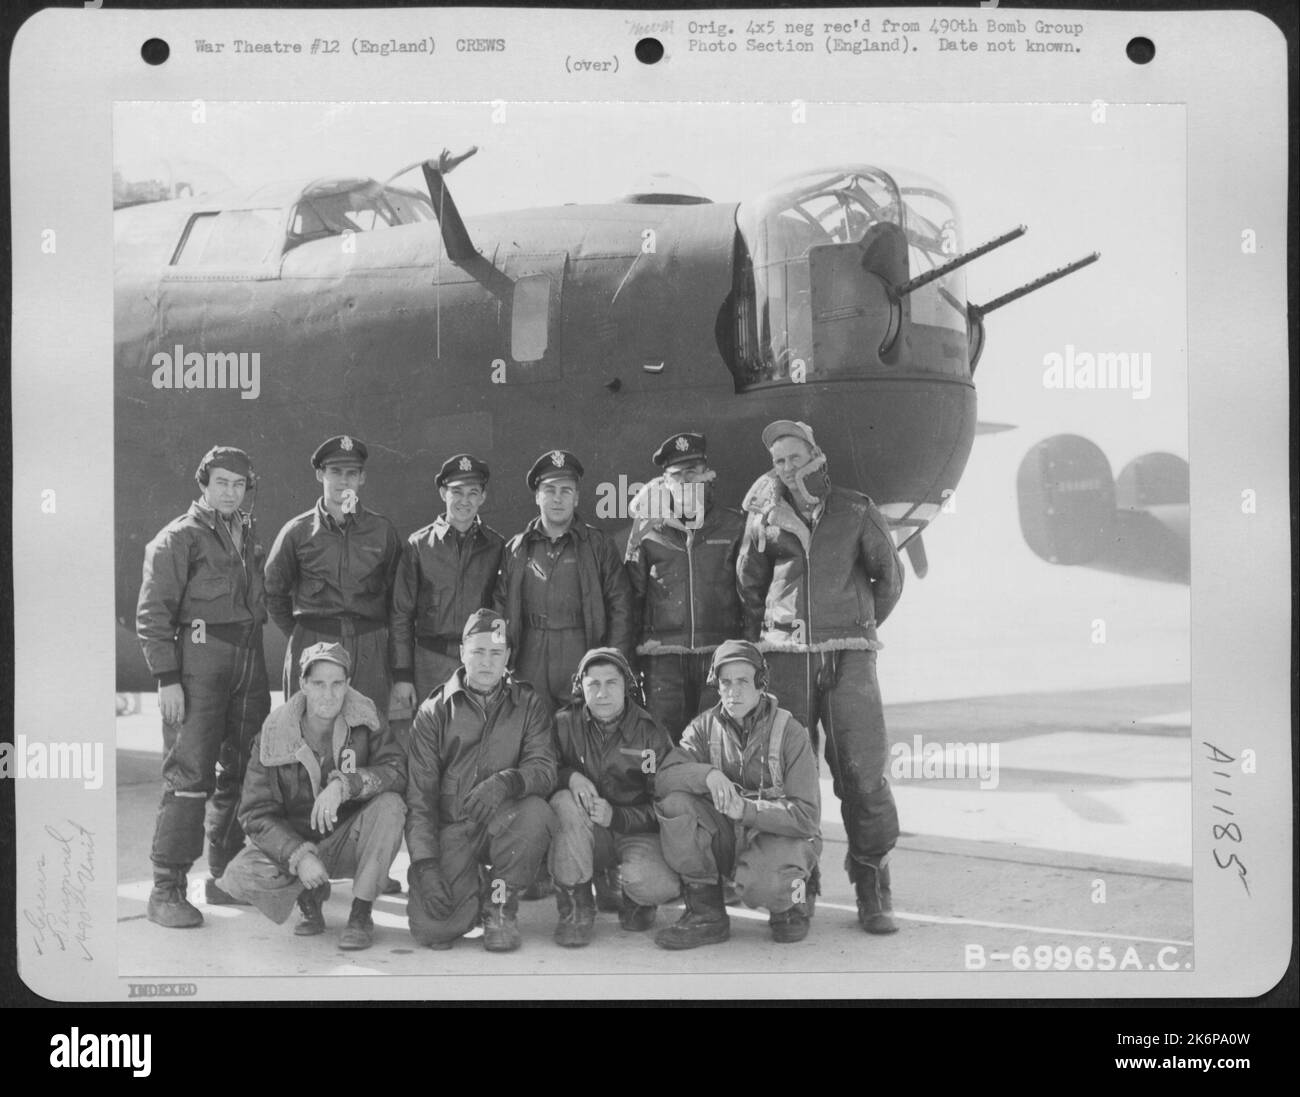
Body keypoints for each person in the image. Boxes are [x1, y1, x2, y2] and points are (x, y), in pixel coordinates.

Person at [736, 419, 905, 934]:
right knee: (789, 776)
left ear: (814, 453)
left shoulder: (855, 509)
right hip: (787, 657)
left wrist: (852, 623)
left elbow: (888, 579)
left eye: (794, 455)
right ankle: (796, 888)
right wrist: (774, 634)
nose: (787, 466)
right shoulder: (764, 515)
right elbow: (749, 583)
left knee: (863, 769)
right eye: (779, 460)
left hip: (849, 654)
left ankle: (872, 883)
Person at [135, 445, 272, 928]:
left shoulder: (246, 535)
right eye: (221, 483)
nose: (230, 492)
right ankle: (166, 889)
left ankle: (224, 877)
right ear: (204, 484)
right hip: (199, 667)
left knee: (244, 770)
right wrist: (167, 679)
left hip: (245, 663)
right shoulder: (179, 539)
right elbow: (152, 617)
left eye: (239, 484)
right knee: (190, 777)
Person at [217, 643, 407, 951]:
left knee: (391, 807)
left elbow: (397, 771)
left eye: (337, 684)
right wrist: (299, 855)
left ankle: (361, 913)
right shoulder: (273, 734)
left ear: (347, 685)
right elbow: (255, 814)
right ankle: (308, 897)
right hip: (299, 844)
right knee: (239, 874)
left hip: (348, 842)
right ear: (303, 684)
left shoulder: (366, 721)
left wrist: (346, 784)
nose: (328, 694)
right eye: (318, 683)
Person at [404, 610, 558, 952]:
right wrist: (425, 865)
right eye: (478, 651)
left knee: (537, 814)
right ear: (462, 653)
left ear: (508, 657)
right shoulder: (434, 712)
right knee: (433, 929)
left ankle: (499, 905)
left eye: (496, 653)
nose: (487, 662)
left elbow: (544, 769)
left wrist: (507, 782)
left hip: (504, 823)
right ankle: (471, 885)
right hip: (454, 828)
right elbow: (419, 799)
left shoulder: (528, 704)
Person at [654, 640, 821, 948]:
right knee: (675, 803)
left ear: (761, 683)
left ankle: (795, 899)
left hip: (777, 836)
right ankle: (706, 913)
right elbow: (664, 778)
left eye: (743, 681)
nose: (733, 691)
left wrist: (746, 809)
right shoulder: (703, 728)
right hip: (730, 836)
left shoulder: (791, 732)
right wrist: (708, 774)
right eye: (725, 683)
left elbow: (807, 817)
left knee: (767, 887)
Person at [264, 435, 401, 723]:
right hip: (313, 641)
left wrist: (377, 640)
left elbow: (398, 596)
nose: (343, 481)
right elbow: (273, 592)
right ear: (320, 474)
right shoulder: (297, 532)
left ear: (362, 478)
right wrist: (301, 634)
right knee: (310, 730)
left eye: (352, 473)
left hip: (368, 645)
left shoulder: (382, 531)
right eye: (335, 472)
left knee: (367, 729)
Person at [549, 647, 679, 947]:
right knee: (563, 803)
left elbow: (665, 802)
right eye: (593, 684)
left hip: (635, 831)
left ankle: (635, 897)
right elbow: (542, 770)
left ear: (626, 687)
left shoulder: (650, 733)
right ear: (580, 687)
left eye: (611, 683)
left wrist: (617, 816)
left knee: (658, 884)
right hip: (586, 830)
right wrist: (570, 776)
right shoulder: (564, 724)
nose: (602, 693)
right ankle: (576, 905)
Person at [624, 431, 746, 743]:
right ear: (666, 483)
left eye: (693, 472)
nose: (687, 481)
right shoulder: (647, 532)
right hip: (663, 662)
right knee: (664, 745)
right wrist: (631, 660)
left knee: (717, 744)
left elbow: (751, 595)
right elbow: (631, 598)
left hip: (717, 656)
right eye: (678, 475)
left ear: (708, 476)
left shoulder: (734, 526)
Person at [494, 449, 634, 712]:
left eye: (566, 491)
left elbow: (620, 607)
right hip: (530, 652)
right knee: (531, 724)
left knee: (580, 730)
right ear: (537, 496)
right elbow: (499, 608)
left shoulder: (598, 545)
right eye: (549, 490)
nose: (557, 499)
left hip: (580, 649)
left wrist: (613, 661)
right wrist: (500, 654)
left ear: (577, 497)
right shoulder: (516, 548)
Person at [389, 454, 505, 716]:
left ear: (483, 497)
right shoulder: (418, 546)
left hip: (478, 662)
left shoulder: (496, 546)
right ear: (443, 493)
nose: (465, 501)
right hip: (430, 662)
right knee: (432, 738)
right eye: (457, 492)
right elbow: (401, 614)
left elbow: (501, 611)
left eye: (473, 493)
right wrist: (403, 674)